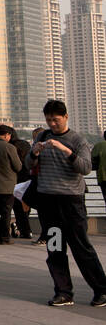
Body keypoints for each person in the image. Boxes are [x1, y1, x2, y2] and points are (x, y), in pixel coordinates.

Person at [31, 100, 106, 307]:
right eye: (48, 120)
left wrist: (65, 150)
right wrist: (34, 153)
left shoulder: (77, 140)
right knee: (55, 248)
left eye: (55, 120)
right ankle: (63, 292)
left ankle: (101, 289)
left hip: (71, 201)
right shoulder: (42, 137)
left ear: (65, 117)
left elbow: (85, 168)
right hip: (48, 201)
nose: (52, 124)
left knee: (81, 247)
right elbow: (27, 164)